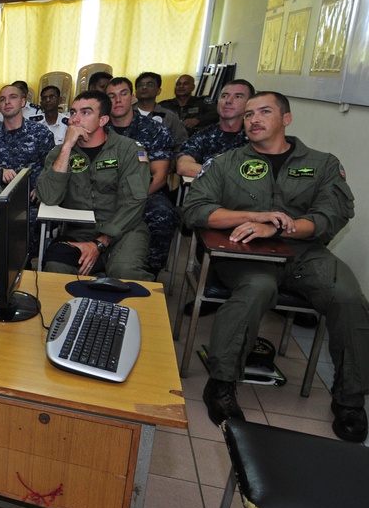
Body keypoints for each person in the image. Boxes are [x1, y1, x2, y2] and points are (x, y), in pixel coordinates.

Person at [182, 91, 369, 443]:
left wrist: (283, 226)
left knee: (348, 296)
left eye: (264, 112)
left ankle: (349, 399)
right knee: (258, 288)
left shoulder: (322, 163)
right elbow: (195, 209)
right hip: (245, 253)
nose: (253, 119)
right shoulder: (225, 163)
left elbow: (333, 214)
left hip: (303, 251)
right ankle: (221, 384)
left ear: (286, 119)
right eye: (249, 113)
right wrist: (254, 217)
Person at [36, 90, 152, 280]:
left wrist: (100, 242)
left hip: (124, 229)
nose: (75, 119)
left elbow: (134, 203)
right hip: (81, 231)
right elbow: (48, 197)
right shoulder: (60, 153)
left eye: (85, 113)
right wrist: (66, 147)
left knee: (124, 272)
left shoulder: (128, 150)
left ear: (103, 120)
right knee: (55, 268)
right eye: (73, 112)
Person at [107, 76, 178, 277]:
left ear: (133, 97)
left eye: (123, 94)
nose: (117, 100)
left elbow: (160, 176)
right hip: (106, 191)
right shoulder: (100, 129)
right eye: (111, 96)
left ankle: (149, 269)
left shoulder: (154, 130)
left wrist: (133, 200)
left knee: (162, 215)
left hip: (147, 192)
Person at [0, 85, 55, 255]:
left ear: (23, 101)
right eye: (2, 99)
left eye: (12, 97)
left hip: (31, 200)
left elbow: (51, 166)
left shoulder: (40, 133)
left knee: (28, 227)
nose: (7, 102)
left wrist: (42, 188)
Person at [176, 79, 254, 179]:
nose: (228, 101)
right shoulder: (204, 135)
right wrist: (228, 177)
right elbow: (183, 166)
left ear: (250, 104)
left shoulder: (255, 137)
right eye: (224, 96)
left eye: (238, 96)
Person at [132, 71, 188, 151]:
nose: (144, 87)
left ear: (159, 91)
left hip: (161, 160)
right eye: (140, 85)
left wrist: (175, 159)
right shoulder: (126, 113)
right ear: (136, 92)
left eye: (150, 84)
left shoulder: (169, 116)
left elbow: (181, 143)